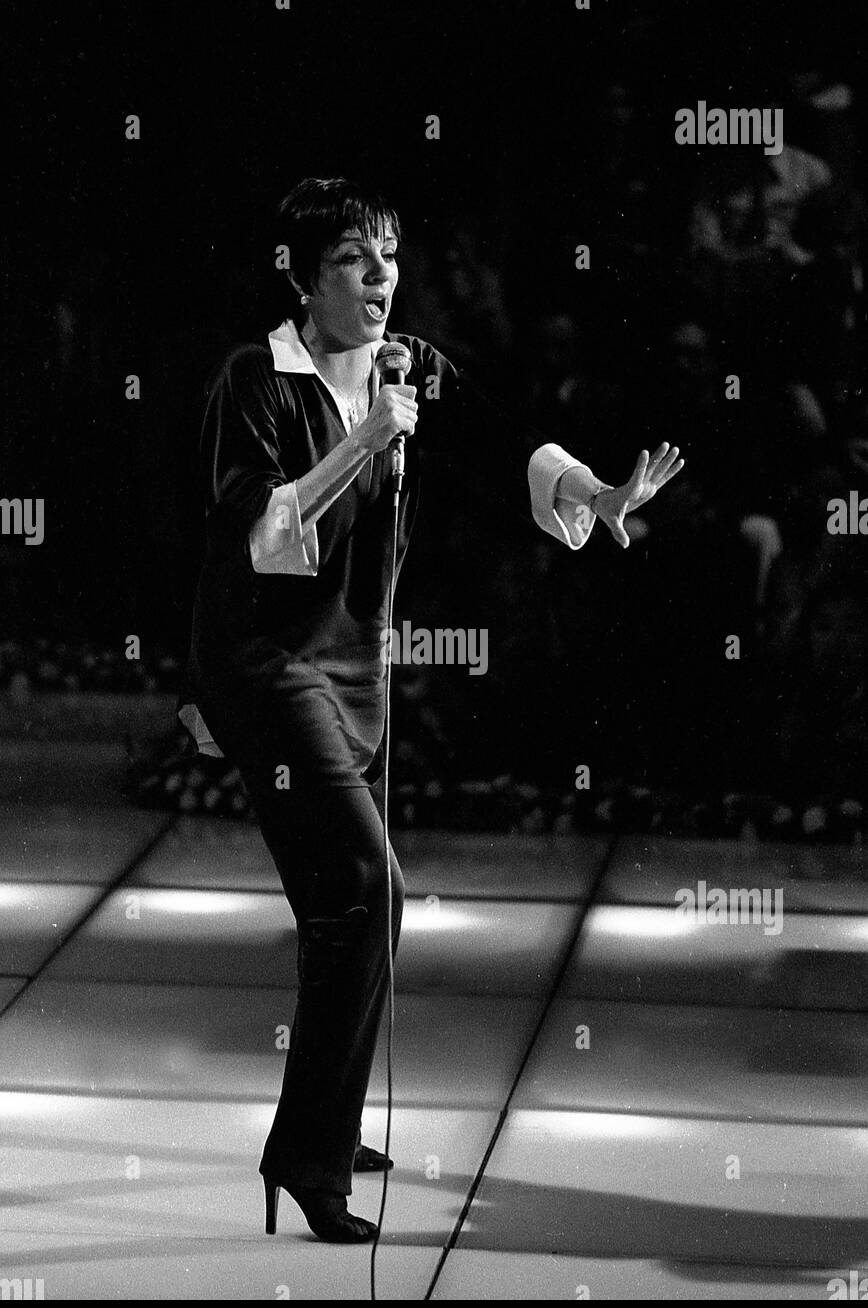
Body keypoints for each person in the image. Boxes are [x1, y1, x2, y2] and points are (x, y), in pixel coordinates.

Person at [176, 176, 684, 1242]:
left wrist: (593, 494)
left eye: (391, 258)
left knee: (356, 902)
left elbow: (506, 442)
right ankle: (309, 1160)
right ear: (301, 277)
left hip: (353, 663)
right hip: (266, 663)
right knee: (366, 886)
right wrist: (365, 440)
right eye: (354, 259)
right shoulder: (253, 380)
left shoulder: (409, 367)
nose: (381, 278)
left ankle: (325, 1123)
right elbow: (261, 536)